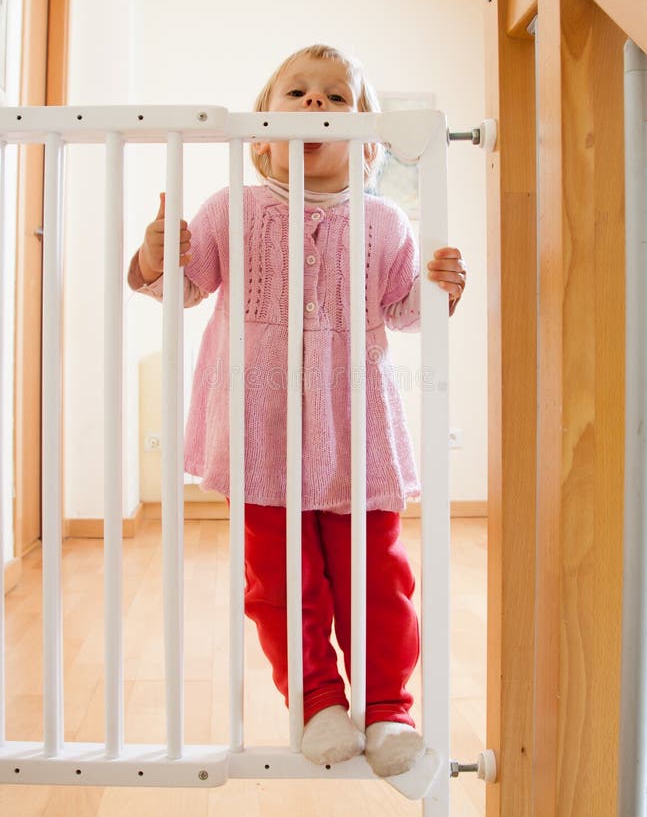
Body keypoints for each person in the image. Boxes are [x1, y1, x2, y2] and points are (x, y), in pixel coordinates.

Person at [128, 45, 466, 782]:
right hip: (259, 437)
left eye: (337, 97)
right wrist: (157, 257)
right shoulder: (232, 208)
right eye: (298, 93)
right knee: (281, 581)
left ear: (367, 144)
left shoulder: (385, 222)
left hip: (357, 436)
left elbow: (406, 310)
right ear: (260, 137)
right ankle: (316, 701)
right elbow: (184, 287)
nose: (316, 105)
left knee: (377, 573)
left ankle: (387, 707)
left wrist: (438, 288)